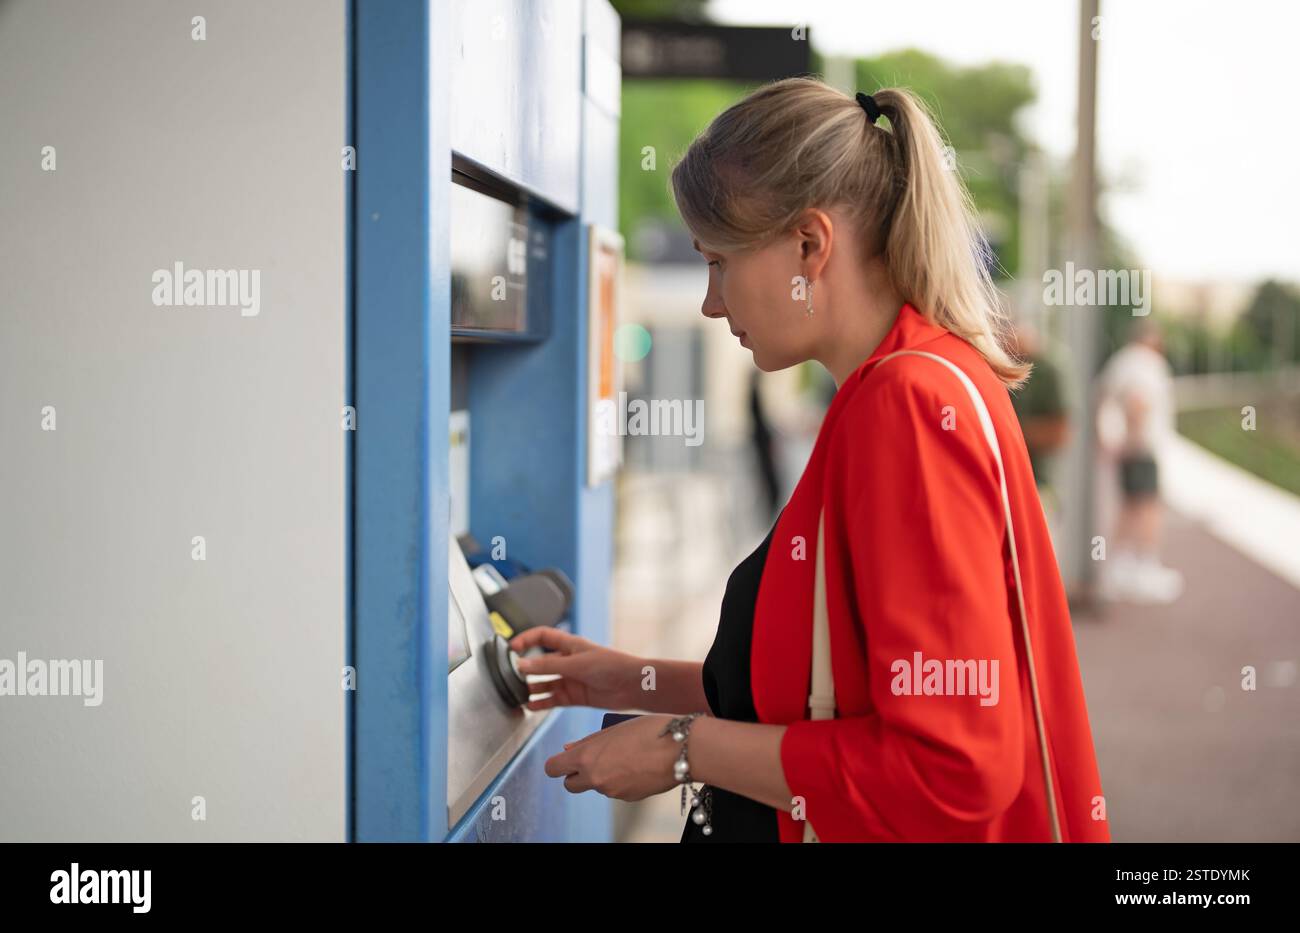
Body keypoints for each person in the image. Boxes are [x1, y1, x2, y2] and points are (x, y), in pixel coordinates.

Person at [509, 78, 1108, 842]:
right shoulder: (916, 381)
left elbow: (952, 765)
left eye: (719, 261)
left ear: (809, 244)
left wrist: (683, 750)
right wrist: (627, 679)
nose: (710, 303)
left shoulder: (908, 407)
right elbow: (829, 693)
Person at [1094, 320, 1184, 603]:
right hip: (1142, 448)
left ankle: (1121, 565)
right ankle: (1145, 567)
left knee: (1130, 506)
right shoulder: (1144, 364)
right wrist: (1134, 442)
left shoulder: (1122, 361)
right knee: (1147, 506)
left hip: (1133, 447)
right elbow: (1137, 403)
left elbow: (1105, 398)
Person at [1007, 320, 1071, 544]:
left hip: (1038, 485)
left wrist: (1009, 433)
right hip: (1005, 486)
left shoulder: (1047, 369)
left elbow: (1060, 433)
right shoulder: (996, 365)